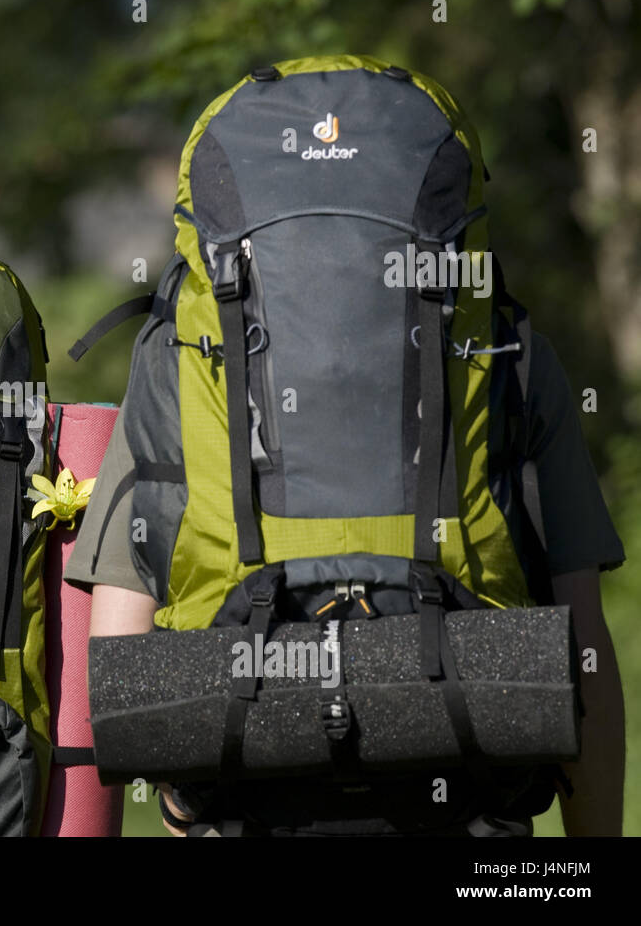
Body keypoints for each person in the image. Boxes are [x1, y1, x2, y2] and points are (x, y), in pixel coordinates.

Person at [65, 331, 626, 837]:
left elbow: (118, 654)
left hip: (244, 811)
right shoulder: (501, 337)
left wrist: (183, 805)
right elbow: (583, 646)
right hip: (469, 811)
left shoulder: (177, 345)